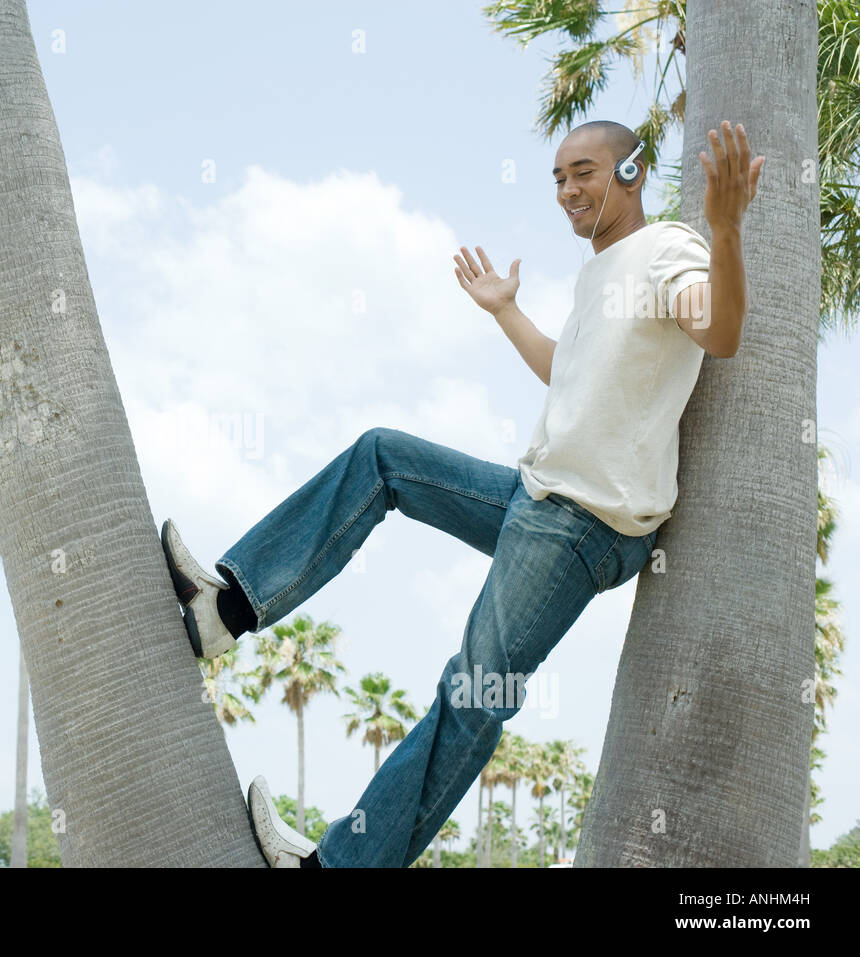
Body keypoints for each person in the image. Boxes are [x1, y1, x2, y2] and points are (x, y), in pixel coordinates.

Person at [162, 119, 761, 868]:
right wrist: (506, 310)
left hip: (584, 522)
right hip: (537, 494)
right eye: (557, 177)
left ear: (633, 172)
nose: (567, 190)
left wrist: (726, 226)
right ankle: (226, 610)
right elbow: (569, 376)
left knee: (474, 692)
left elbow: (723, 329)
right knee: (384, 457)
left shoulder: (670, 247)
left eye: (583, 171)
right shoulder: (597, 272)